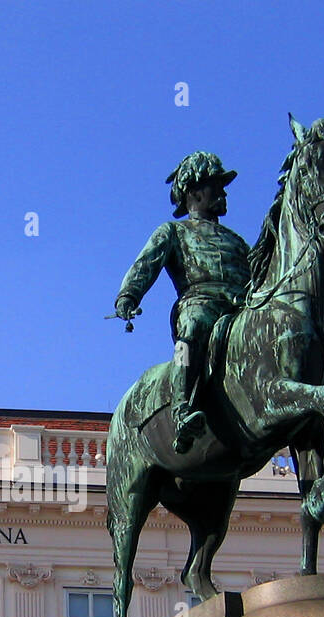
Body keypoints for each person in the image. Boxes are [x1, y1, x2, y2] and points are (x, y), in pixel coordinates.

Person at [114, 151, 255, 453]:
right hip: (199, 301)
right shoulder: (174, 231)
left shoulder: (238, 241)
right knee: (193, 330)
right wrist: (128, 295)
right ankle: (181, 410)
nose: (222, 192)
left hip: (241, 305)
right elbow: (145, 265)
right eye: (215, 185)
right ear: (194, 193)